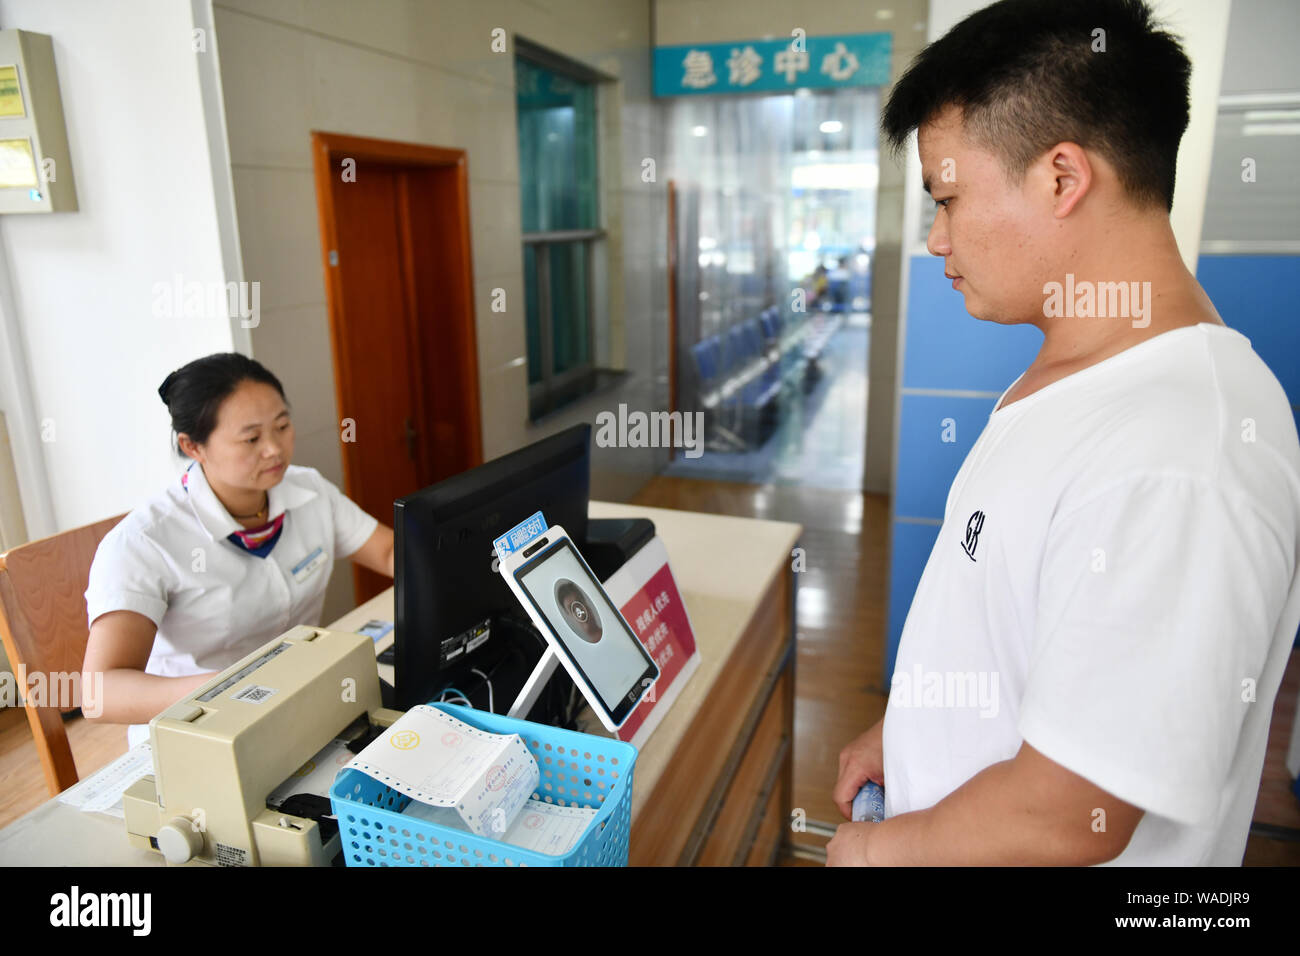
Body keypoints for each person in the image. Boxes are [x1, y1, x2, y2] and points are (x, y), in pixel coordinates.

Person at [829, 0, 1300, 865]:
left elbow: (1064, 812)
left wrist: (871, 853)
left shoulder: (1179, 450)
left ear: (1061, 177)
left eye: (948, 197)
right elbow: (1008, 627)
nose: (936, 238)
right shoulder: (1075, 378)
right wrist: (908, 727)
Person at [82, 353, 395, 748]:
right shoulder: (145, 542)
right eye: (251, 438)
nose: (274, 449)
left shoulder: (308, 490)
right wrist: (235, 686)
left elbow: (388, 554)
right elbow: (100, 693)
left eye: (282, 426)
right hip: (199, 731)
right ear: (192, 446)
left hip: (301, 707)